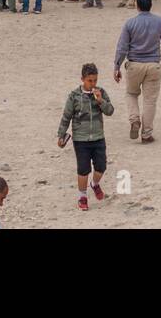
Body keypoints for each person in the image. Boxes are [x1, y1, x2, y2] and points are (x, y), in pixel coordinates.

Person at [114, 0, 161, 142]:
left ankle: (134, 119)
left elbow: (122, 47)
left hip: (134, 65)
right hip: (153, 66)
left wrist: (117, 66)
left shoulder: (130, 23)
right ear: (150, 5)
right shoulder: (160, 22)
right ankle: (146, 134)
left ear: (137, 5)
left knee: (131, 94)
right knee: (150, 100)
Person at [58, 63, 114, 211]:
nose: (93, 84)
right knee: (83, 169)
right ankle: (82, 196)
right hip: (81, 139)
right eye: (90, 80)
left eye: (95, 80)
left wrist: (101, 101)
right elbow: (66, 116)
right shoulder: (74, 96)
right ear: (82, 79)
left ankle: (94, 184)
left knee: (101, 166)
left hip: (98, 137)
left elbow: (110, 111)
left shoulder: (101, 92)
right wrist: (61, 135)